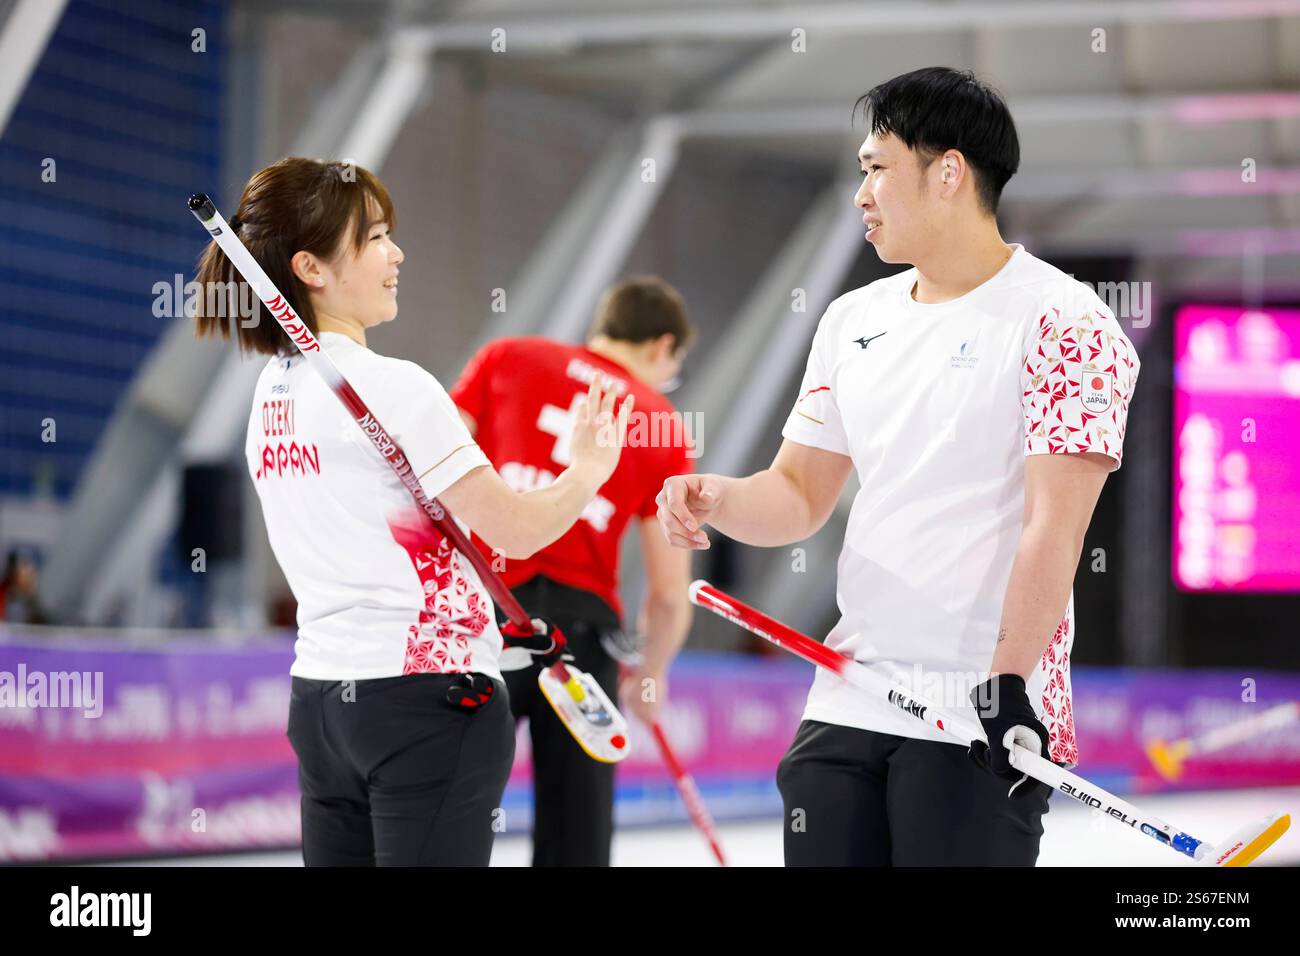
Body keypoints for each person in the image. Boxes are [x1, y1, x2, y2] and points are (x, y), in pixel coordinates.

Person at [656, 67, 1141, 866]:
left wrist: (1008, 684)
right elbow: (798, 494)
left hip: (980, 711)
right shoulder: (854, 320)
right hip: (851, 694)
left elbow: (1053, 525)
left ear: (947, 172)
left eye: (876, 168)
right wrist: (715, 497)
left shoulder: (1068, 324)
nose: (862, 194)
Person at [193, 157, 632, 866]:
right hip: (427, 708)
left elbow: (377, 555)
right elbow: (516, 527)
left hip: (322, 704)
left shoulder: (269, 400)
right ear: (311, 267)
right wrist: (585, 473)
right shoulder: (395, 387)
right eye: (372, 239)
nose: (396, 254)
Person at [451, 276, 697, 867]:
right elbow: (668, 591)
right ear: (662, 346)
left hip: (484, 614)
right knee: (577, 829)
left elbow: (432, 477)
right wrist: (650, 673)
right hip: (579, 638)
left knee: (447, 799)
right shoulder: (661, 421)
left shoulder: (508, 357)